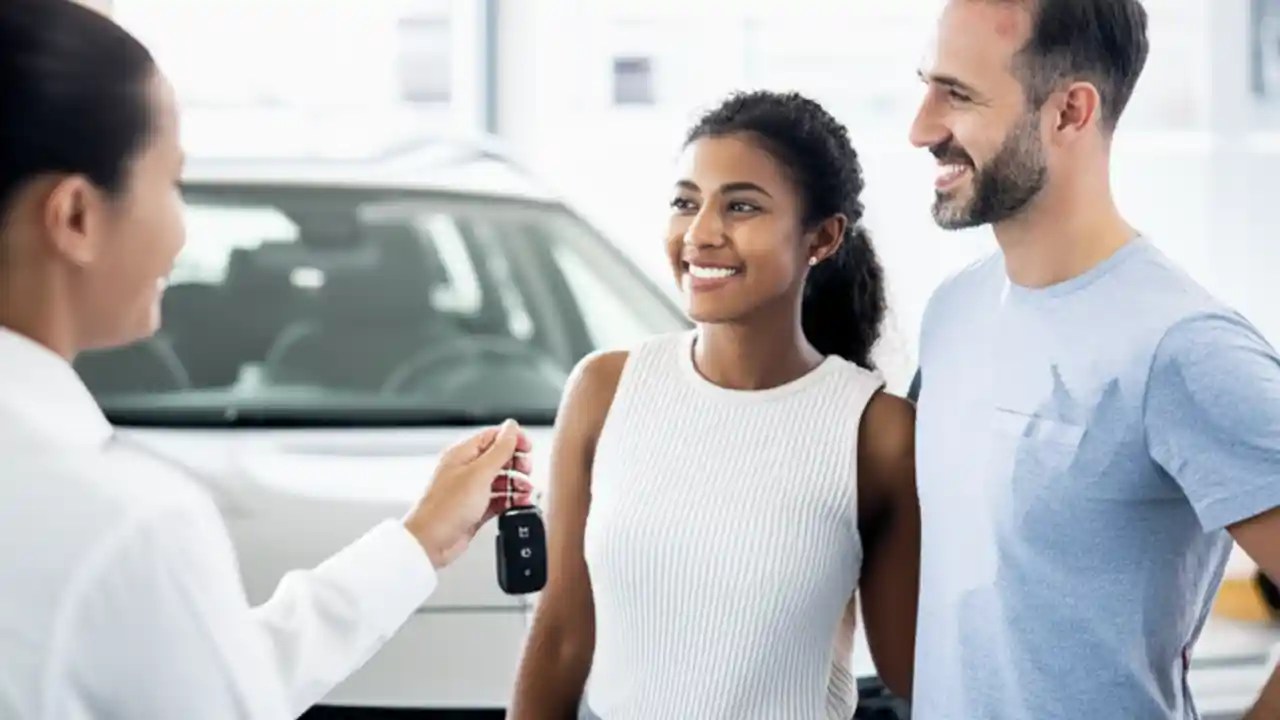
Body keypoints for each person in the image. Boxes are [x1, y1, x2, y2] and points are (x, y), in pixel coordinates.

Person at [0, 1, 534, 718]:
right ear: (75, 217)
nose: (180, 233)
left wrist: (418, 543)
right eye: (172, 183)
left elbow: (188, 674)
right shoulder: (126, 522)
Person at [908, 0, 1280, 718]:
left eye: (957, 95)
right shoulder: (953, 312)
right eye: (927, 85)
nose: (920, 127)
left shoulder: (1183, 345)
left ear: (1071, 112)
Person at [508, 90, 919, 719]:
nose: (700, 234)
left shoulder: (878, 433)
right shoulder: (604, 391)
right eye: (685, 203)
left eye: (742, 206)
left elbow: (909, 666)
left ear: (824, 237)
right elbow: (561, 640)